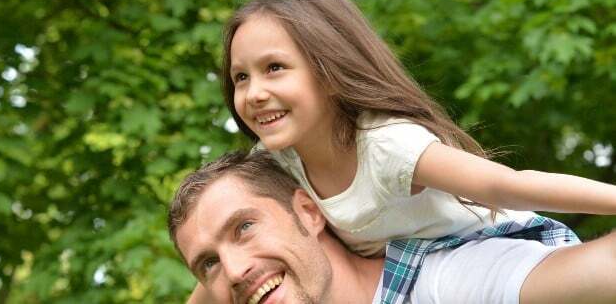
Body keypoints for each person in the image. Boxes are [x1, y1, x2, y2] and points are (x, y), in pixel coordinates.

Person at [221, 0, 616, 257]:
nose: (254, 93)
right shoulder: (274, 164)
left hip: (500, 251)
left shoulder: (387, 145)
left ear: (329, 71)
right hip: (413, 277)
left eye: (274, 68)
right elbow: (222, 250)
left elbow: (507, 186)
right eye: (241, 77)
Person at [168, 151, 616, 303]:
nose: (234, 268)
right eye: (207, 263)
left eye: (244, 227)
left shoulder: (443, 283)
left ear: (308, 211)